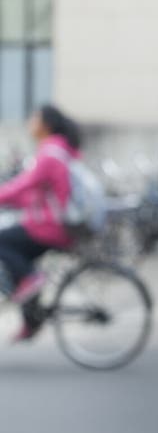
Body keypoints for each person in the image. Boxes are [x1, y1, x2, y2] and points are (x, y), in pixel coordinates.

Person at [0, 103, 79, 341]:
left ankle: (30, 282)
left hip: (49, 227)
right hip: (52, 223)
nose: (30, 123)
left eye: (34, 118)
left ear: (46, 125)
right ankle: (30, 321)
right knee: (20, 263)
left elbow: (25, 184)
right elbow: (37, 193)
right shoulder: (59, 149)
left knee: (4, 243)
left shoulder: (49, 154)